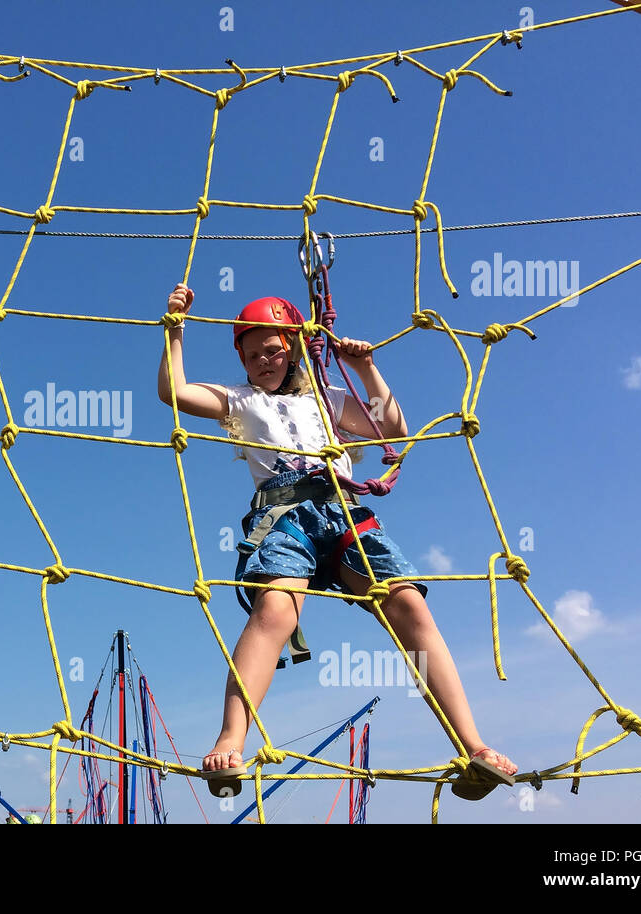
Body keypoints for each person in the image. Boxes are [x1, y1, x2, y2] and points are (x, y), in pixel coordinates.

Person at [155, 282, 517, 801]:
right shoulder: (240, 401)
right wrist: (175, 328)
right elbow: (175, 392)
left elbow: (391, 428)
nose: (262, 359)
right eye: (251, 352)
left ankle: (472, 747)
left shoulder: (326, 400)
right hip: (285, 515)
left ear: (295, 347)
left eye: (273, 348)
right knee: (274, 613)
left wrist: (367, 367)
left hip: (344, 509)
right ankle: (231, 740)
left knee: (409, 607)